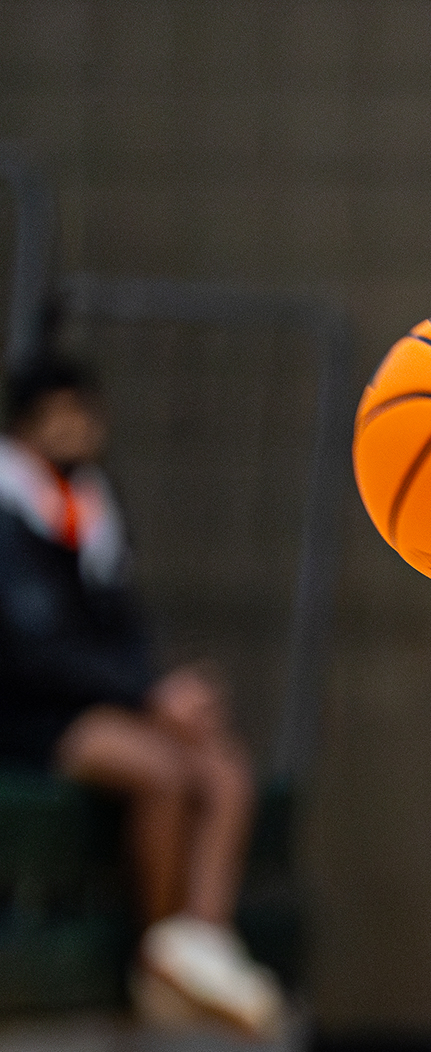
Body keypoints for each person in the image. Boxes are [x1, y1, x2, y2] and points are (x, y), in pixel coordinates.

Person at [0, 357, 284, 1038]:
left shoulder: (93, 503)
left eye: (84, 413)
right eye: (59, 415)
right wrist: (148, 694)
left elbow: (124, 625)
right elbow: (31, 647)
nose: (77, 428)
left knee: (220, 764)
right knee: (161, 772)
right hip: (27, 711)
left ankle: (201, 945)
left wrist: (168, 693)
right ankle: (158, 954)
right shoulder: (9, 512)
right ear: (26, 427)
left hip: (101, 696)